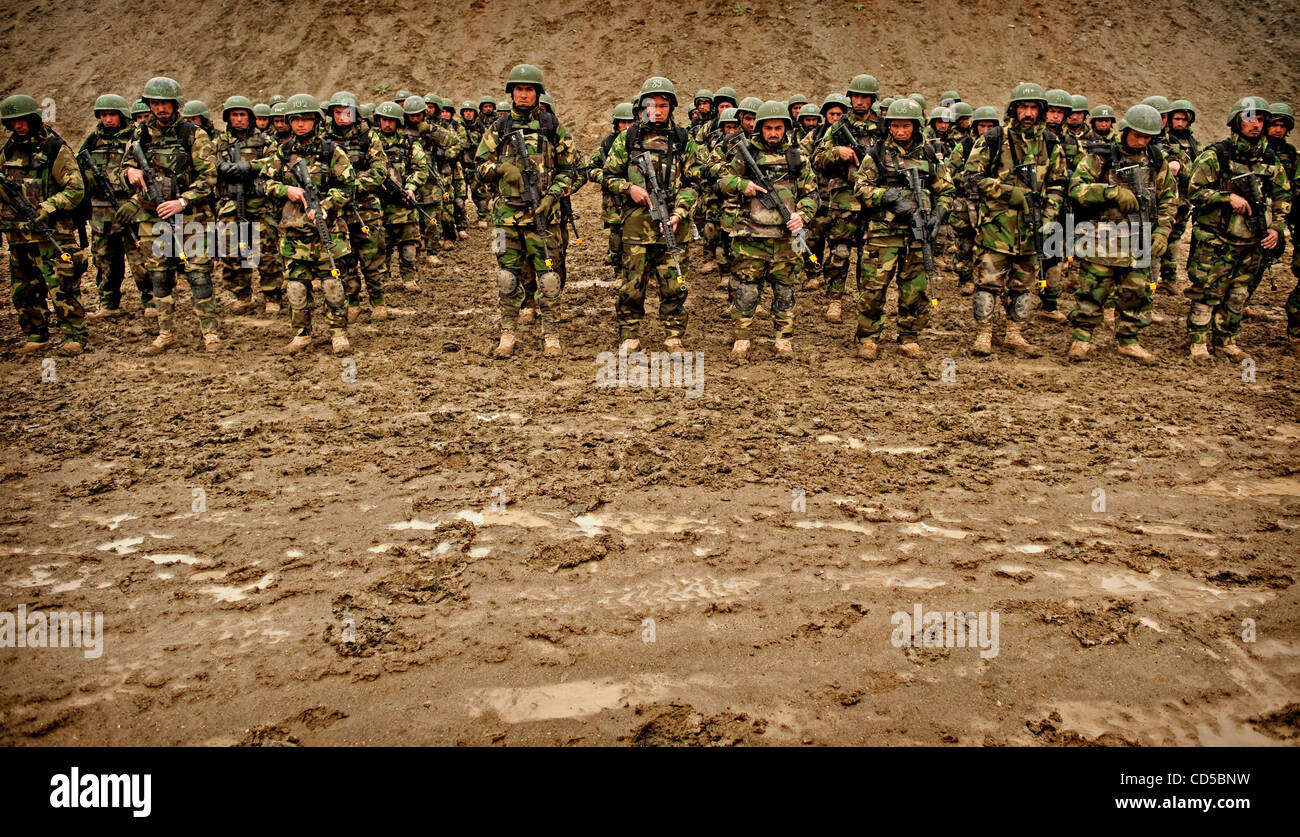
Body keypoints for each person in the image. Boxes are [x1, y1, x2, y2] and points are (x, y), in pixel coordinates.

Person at [476, 63, 577, 357]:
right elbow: (479, 167)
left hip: (543, 217)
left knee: (549, 278)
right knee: (506, 277)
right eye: (518, 89)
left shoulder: (552, 126)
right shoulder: (499, 127)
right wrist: (500, 168)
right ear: (511, 93)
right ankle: (508, 332)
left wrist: (551, 197)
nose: (523, 94)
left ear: (537, 93)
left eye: (528, 89)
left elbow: (569, 169)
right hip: (504, 218)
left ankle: (551, 334)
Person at [961, 82, 1068, 357]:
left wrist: (1048, 214)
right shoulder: (994, 138)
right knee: (988, 281)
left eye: (1033, 108)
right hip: (997, 226)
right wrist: (1009, 192)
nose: (1028, 113)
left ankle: (1013, 333)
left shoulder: (1051, 143)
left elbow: (1058, 183)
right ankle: (984, 334)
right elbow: (971, 177)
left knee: (1023, 284)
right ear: (1014, 109)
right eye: (1023, 107)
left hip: (1032, 228)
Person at [1065, 104, 1177, 364]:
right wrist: (1109, 191)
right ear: (1125, 130)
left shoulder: (1157, 161)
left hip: (1140, 239)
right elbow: (1076, 189)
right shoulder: (1101, 156)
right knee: (1092, 292)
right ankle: (1082, 338)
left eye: (1148, 137)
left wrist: (1162, 233)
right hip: (1101, 239)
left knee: (1136, 294)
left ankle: (1129, 341)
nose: (1142, 141)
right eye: (1137, 135)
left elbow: (1169, 200)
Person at [119, 76, 221, 355]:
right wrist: (129, 173)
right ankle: (166, 332)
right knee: (159, 276)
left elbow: (210, 176)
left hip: (190, 218)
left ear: (175, 104)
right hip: (152, 219)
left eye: (165, 103)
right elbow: (122, 168)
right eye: (155, 103)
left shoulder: (193, 133)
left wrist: (182, 200)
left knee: (199, 275)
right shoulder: (139, 135)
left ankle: (209, 332)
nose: (160, 108)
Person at [1184, 97, 1290, 360]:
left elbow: (1282, 196)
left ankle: (1225, 339)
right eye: (1249, 119)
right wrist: (1225, 198)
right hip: (1216, 239)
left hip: (1252, 240)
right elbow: (1193, 192)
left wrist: (1276, 227)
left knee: (1238, 294)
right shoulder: (1217, 155)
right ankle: (1197, 341)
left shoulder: (1270, 159)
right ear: (1237, 122)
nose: (1255, 125)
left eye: (1260, 120)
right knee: (1207, 291)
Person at [602, 76, 704, 353]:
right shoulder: (629, 138)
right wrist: (629, 188)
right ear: (642, 107)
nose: (656, 111)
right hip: (636, 227)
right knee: (632, 286)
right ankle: (629, 334)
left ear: (671, 107)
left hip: (674, 227)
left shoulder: (684, 140)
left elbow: (694, 183)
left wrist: (680, 212)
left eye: (662, 105)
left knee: (674, 286)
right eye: (651, 105)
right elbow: (607, 175)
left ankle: (673, 335)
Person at [257, 93, 359, 355]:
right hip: (293, 231)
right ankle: (302, 333)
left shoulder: (332, 151)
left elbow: (348, 187)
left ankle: (338, 333)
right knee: (296, 286)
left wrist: (325, 206)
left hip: (329, 230)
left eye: (305, 119)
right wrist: (285, 190)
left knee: (333, 284)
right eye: (295, 120)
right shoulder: (281, 152)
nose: (300, 124)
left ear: (315, 120)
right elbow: (261, 183)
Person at [852, 98, 954, 359]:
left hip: (917, 234)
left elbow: (946, 191)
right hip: (882, 233)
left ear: (916, 127)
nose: (899, 131)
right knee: (873, 288)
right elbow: (860, 187)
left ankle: (909, 336)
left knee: (915, 289)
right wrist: (886, 197)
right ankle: (868, 337)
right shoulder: (877, 154)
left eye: (905, 126)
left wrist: (938, 214)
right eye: (895, 126)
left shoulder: (929, 155)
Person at [716, 100, 818, 359]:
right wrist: (742, 185)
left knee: (785, 291)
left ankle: (783, 338)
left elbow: (812, 193)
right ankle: (742, 337)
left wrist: (802, 215)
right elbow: (721, 182)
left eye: (779, 128)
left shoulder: (797, 157)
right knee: (747, 290)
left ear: (786, 128)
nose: (774, 133)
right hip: (751, 236)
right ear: (760, 128)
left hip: (785, 239)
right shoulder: (744, 154)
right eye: (769, 128)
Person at [0, 93, 88, 355]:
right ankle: (36, 335)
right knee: (25, 290)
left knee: (61, 286)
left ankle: (75, 335)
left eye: (23, 120)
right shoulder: (8, 151)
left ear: (34, 118)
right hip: (18, 235)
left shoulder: (54, 148)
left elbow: (75, 188)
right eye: (13, 121)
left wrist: (47, 207)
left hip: (52, 233)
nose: (19, 125)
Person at [80, 93, 149, 319]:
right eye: (104, 115)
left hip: (131, 208)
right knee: (104, 260)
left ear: (122, 115)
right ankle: (108, 303)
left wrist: (135, 200)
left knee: (141, 259)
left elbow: (148, 171)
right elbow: (77, 171)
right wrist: (88, 178)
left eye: (112, 114)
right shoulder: (92, 141)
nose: (108, 119)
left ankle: (151, 300)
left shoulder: (136, 138)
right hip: (101, 212)